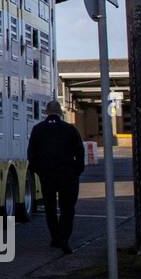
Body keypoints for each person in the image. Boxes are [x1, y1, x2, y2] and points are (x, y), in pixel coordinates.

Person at [27, 99, 86, 253]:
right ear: (60, 113)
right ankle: (64, 238)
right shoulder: (70, 129)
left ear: (47, 113)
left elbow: (31, 154)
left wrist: (38, 171)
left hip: (47, 175)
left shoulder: (37, 129)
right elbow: (80, 152)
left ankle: (55, 237)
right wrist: (77, 170)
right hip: (68, 174)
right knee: (67, 208)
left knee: (50, 208)